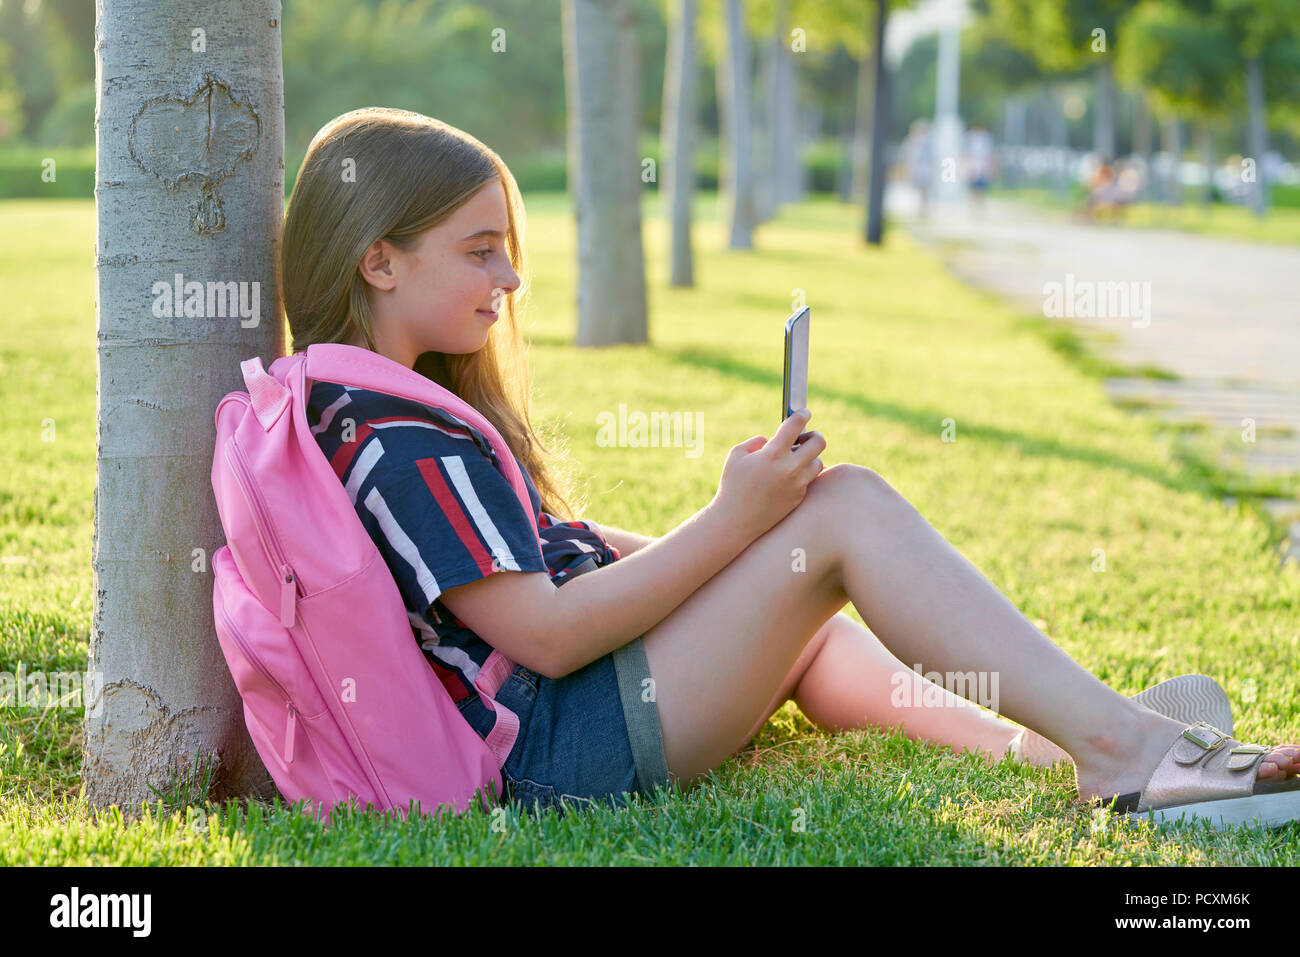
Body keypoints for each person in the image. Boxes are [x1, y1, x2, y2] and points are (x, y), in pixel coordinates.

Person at [279, 107, 1300, 826]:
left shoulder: (390, 409)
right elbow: (543, 637)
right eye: (480, 250)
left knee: (807, 594)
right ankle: (1127, 757)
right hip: (558, 754)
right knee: (847, 512)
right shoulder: (396, 440)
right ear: (380, 260)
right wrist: (734, 525)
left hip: (578, 717)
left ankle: (1077, 743)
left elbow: (557, 556)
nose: (511, 277)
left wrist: (747, 532)